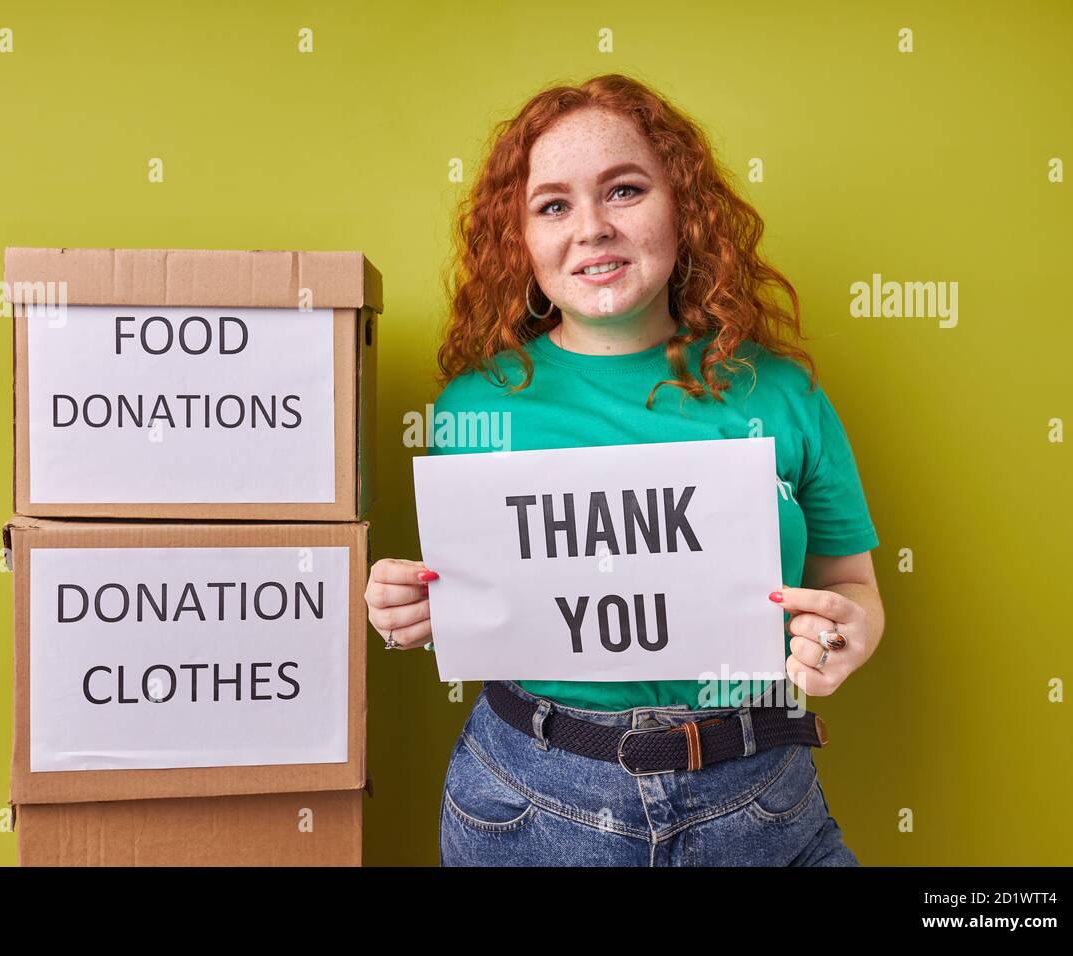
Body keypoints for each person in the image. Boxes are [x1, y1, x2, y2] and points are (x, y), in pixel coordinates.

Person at [363, 73, 885, 866]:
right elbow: (470, 596)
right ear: (522, 239)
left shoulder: (781, 394)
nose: (593, 227)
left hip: (759, 798)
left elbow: (853, 585)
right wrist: (405, 606)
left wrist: (846, 637)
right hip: (528, 803)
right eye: (554, 205)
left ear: (683, 208)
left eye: (625, 190)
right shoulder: (475, 408)